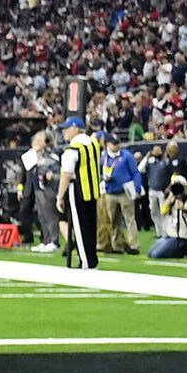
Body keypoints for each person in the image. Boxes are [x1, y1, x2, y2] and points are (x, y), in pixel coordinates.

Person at [57, 115, 103, 271]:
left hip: (78, 190)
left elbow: (66, 174)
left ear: (75, 128)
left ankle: (86, 261)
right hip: (93, 190)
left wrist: (59, 196)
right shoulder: (93, 144)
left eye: (66, 128)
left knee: (80, 228)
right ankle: (92, 259)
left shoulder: (73, 149)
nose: (64, 132)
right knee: (90, 226)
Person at [103, 141, 142, 255]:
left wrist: (137, 188)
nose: (116, 146)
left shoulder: (126, 156)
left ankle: (134, 244)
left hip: (125, 192)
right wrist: (103, 177)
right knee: (113, 220)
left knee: (129, 219)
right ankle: (117, 245)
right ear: (108, 144)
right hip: (110, 192)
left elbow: (135, 172)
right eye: (113, 143)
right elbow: (100, 170)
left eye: (117, 143)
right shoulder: (104, 157)